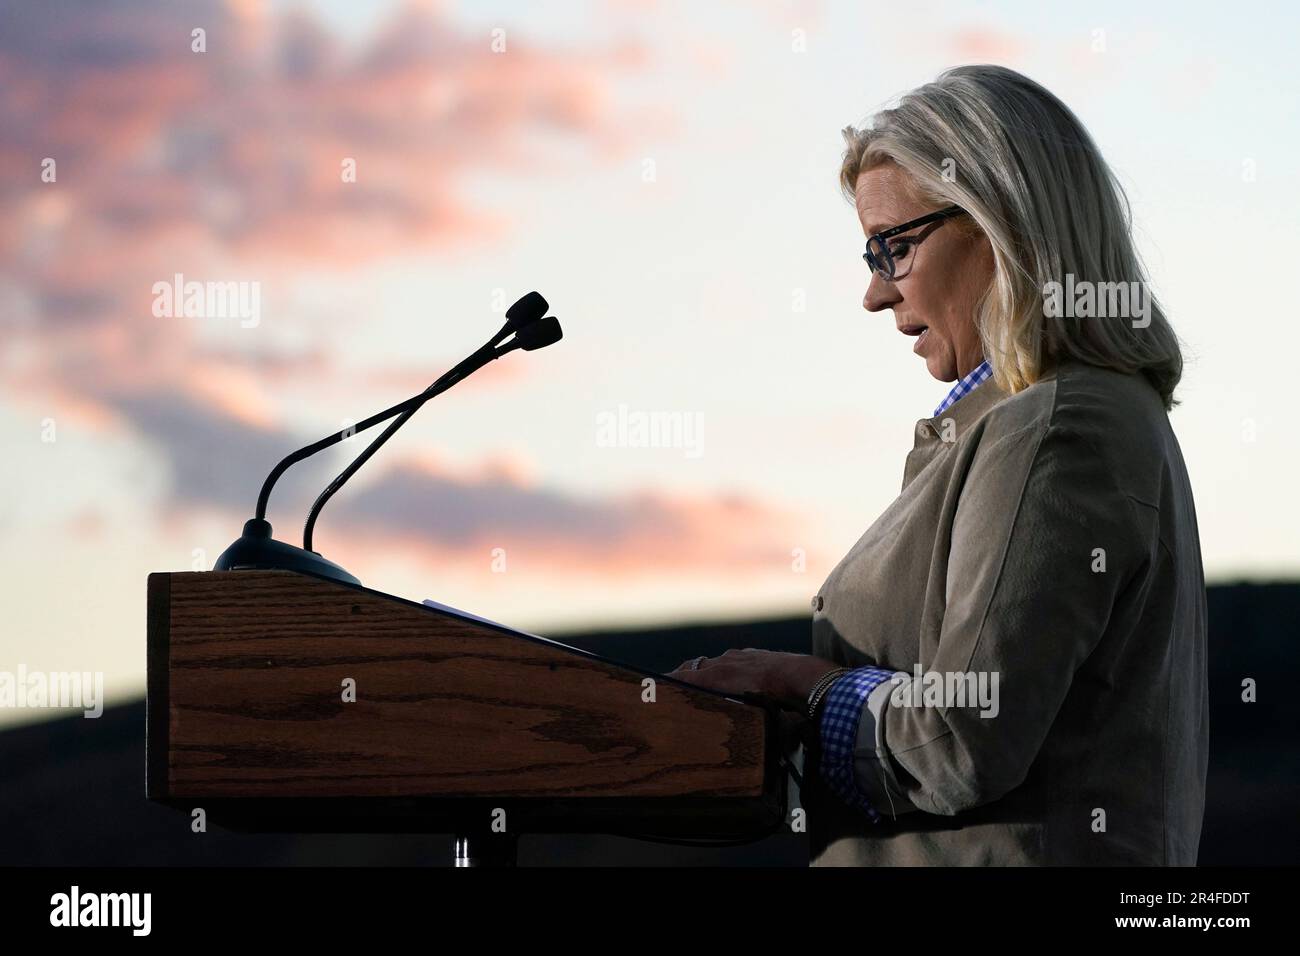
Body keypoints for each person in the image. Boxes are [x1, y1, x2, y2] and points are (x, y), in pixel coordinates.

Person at [669, 64, 1207, 866]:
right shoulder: (1037, 420)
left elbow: (962, 736)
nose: (876, 295)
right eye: (868, 256)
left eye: (894, 248)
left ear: (1000, 225)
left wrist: (806, 686)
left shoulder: (1061, 426)